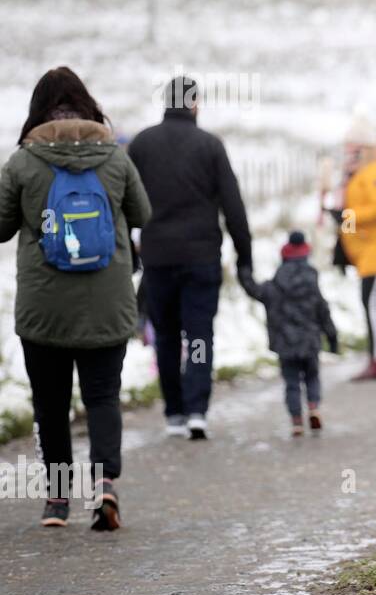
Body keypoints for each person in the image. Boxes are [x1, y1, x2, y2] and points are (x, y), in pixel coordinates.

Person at [0, 67, 151, 529]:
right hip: (108, 303)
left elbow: (1, 228)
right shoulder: (115, 156)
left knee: (50, 402)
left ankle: (57, 501)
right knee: (103, 395)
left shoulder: (24, 162)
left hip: (44, 309)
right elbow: (142, 212)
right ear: (88, 106)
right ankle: (105, 484)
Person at [128, 76, 253, 440]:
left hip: (158, 258)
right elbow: (234, 207)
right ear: (195, 103)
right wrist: (244, 257)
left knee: (166, 336)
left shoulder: (142, 144)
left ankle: (174, 413)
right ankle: (198, 409)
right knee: (198, 336)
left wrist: (130, 249)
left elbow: (123, 199)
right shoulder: (210, 146)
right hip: (201, 257)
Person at [239, 231, 338, 436]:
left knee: (291, 383)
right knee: (312, 378)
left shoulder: (274, 286)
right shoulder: (312, 284)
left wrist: (243, 269)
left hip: (285, 346)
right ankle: (313, 407)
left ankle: (296, 421)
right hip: (310, 342)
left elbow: (253, 289)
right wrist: (332, 337)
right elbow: (323, 311)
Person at [337, 114, 376, 380]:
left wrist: (347, 218)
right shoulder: (358, 171)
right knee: (372, 303)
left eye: (352, 147)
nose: (348, 153)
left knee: (373, 304)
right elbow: (349, 212)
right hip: (364, 252)